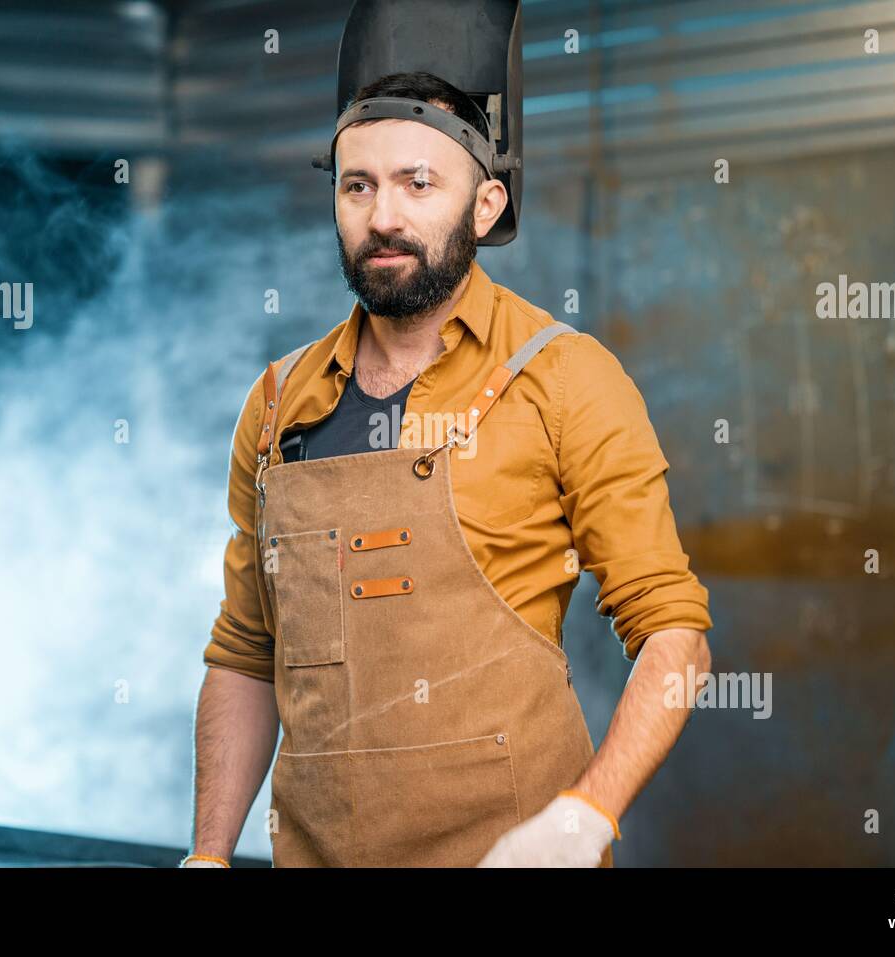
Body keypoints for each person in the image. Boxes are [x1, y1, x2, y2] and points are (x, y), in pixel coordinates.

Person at [186, 71, 712, 868]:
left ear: (487, 204)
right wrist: (209, 855)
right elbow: (245, 655)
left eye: (417, 183)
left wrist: (584, 817)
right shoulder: (277, 405)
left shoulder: (565, 378)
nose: (383, 217)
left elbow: (676, 635)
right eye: (357, 186)